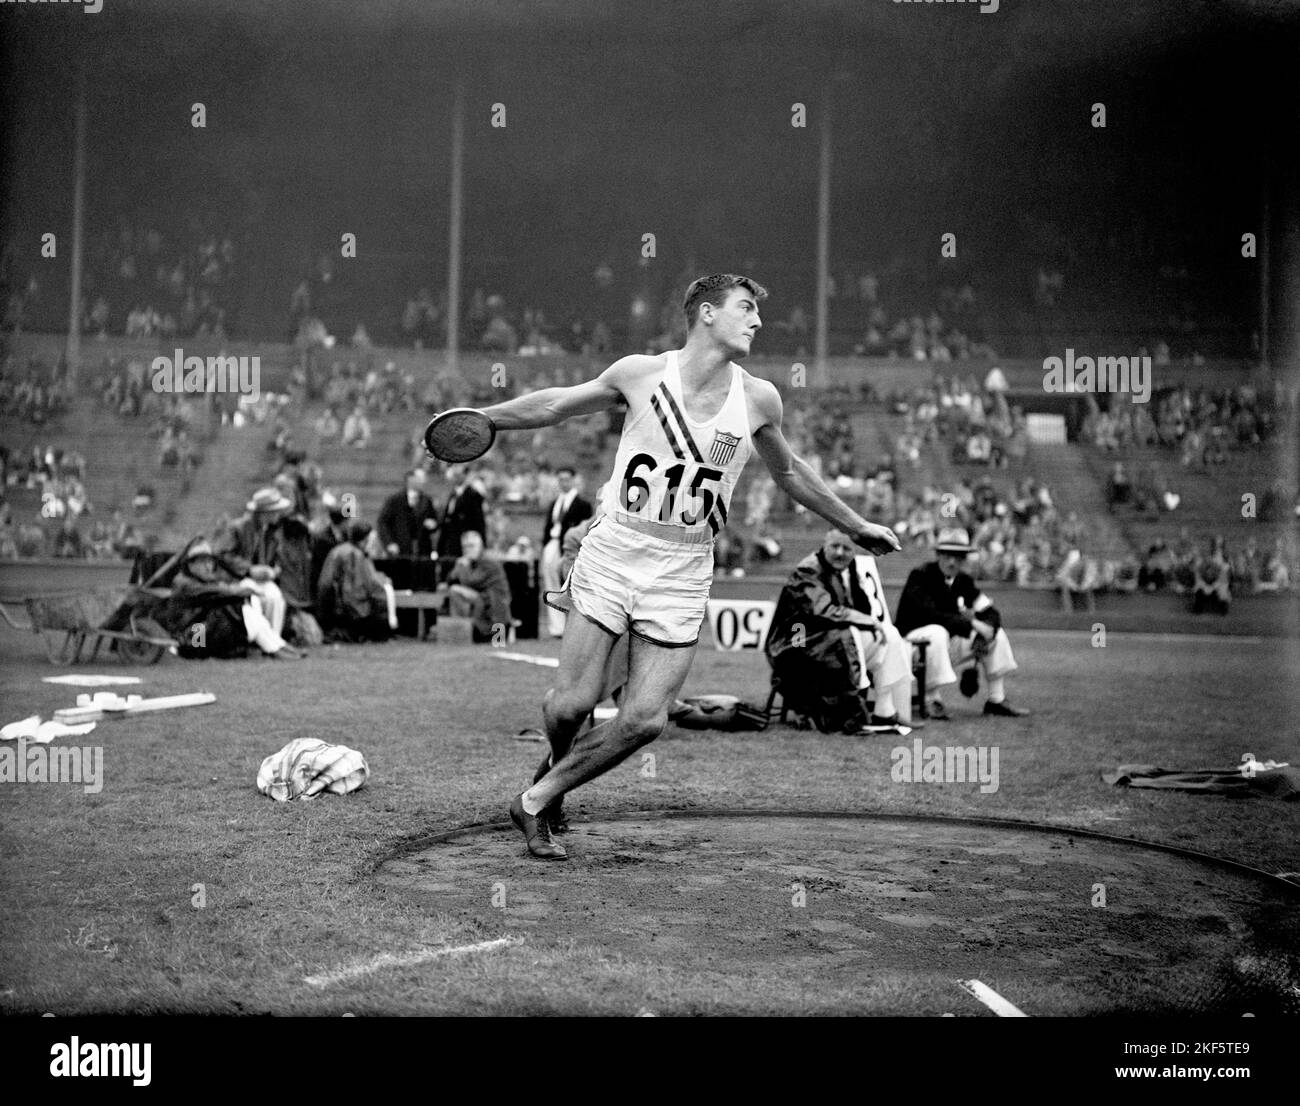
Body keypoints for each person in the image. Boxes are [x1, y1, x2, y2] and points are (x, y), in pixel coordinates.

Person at [465, 272, 900, 860]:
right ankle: (552, 778)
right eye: (746, 308)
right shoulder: (640, 374)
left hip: (684, 565)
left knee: (644, 720)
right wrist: (485, 418)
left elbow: (789, 473)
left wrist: (854, 524)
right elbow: (557, 405)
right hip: (616, 549)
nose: (758, 320)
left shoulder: (758, 398)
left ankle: (537, 798)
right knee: (568, 706)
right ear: (706, 314)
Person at [765, 529, 919, 733]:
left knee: (889, 634)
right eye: (834, 547)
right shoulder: (808, 571)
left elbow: (852, 611)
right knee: (852, 635)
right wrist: (870, 622)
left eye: (846, 548)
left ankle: (885, 711)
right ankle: (853, 714)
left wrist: (873, 623)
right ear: (824, 547)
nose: (840, 553)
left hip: (823, 641)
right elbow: (824, 611)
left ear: (854, 551)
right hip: (795, 643)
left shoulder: (843, 571)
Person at [893, 527, 1028, 720]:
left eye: (958, 556)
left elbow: (989, 611)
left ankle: (996, 700)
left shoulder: (963, 581)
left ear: (964, 558)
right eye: (947, 555)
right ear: (938, 554)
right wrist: (972, 624)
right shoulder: (920, 575)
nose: (952, 561)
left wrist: (986, 630)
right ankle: (932, 700)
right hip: (911, 645)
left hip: (946, 643)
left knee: (995, 634)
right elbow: (930, 615)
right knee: (937, 632)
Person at [316, 522, 399, 641]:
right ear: (364, 540)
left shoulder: (339, 550)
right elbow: (363, 589)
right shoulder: (356, 556)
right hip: (351, 613)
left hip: (332, 610)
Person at [539, 466, 593, 638]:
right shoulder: (555, 503)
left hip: (568, 547)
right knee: (551, 584)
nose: (563, 483)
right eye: (560, 479)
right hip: (552, 544)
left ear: (573, 480)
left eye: (566, 479)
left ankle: (571, 624)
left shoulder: (582, 504)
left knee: (567, 583)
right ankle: (557, 627)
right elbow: (549, 526)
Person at [434, 530, 513, 643]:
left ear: (480, 546)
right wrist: (458, 568)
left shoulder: (487, 561)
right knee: (451, 590)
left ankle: (462, 628)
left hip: (495, 611)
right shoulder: (473, 562)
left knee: (455, 591)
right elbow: (451, 579)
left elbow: (471, 581)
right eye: (465, 547)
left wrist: (462, 567)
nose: (468, 550)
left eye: (471, 546)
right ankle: (459, 627)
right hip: (484, 602)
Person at [377, 468, 439, 558]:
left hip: (422, 550)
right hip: (401, 548)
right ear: (410, 479)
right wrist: (389, 543)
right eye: (420, 478)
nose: (423, 481)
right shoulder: (395, 500)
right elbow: (383, 522)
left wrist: (433, 524)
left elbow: (434, 521)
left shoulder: (427, 501)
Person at [436, 464, 486, 559]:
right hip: (449, 539)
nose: (456, 477)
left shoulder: (472, 495)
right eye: (455, 475)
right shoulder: (453, 494)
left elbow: (478, 519)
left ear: (465, 475)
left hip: (463, 539)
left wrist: (481, 539)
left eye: (458, 474)